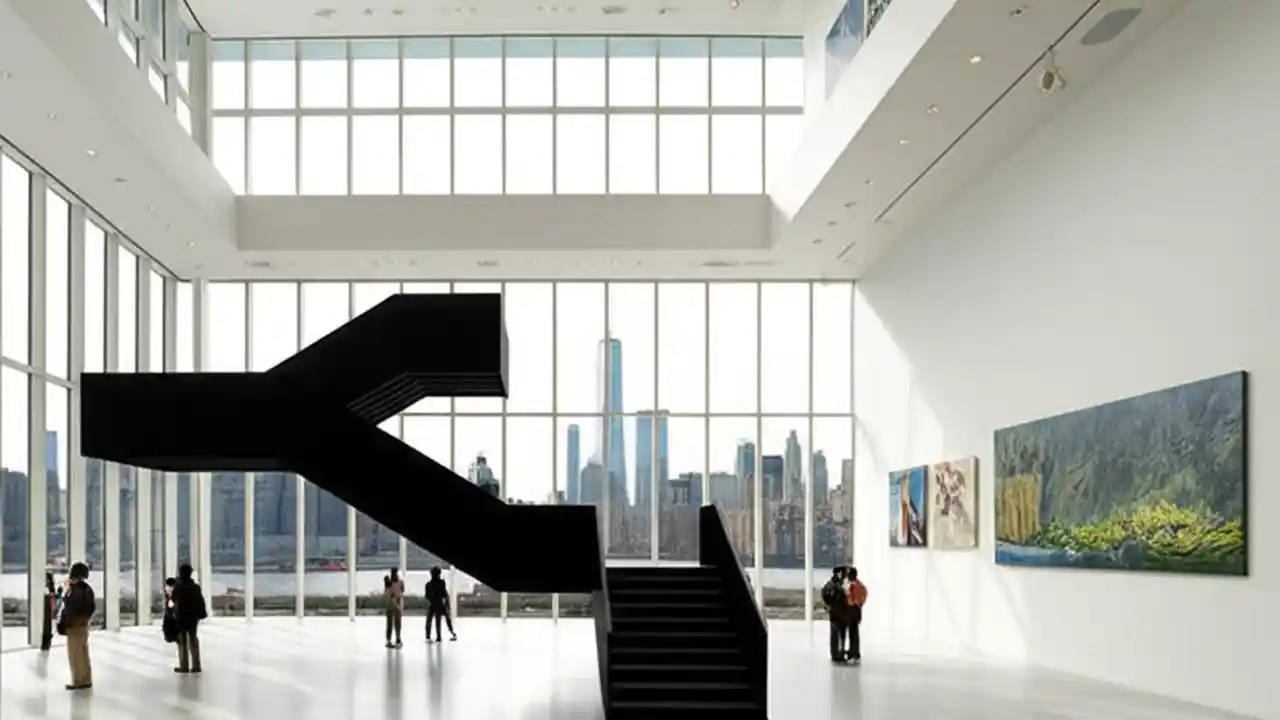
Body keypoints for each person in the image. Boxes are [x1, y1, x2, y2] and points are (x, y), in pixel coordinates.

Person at [62, 562, 95, 691]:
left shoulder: (74, 589)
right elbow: (91, 607)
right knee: (83, 651)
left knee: (75, 653)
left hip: (74, 623)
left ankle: (78, 680)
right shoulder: (87, 589)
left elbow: (70, 606)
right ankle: (86, 678)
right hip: (84, 623)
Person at [172, 564, 208, 674]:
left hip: (181, 616)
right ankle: (196, 665)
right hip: (193, 616)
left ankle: (184, 666)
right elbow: (200, 602)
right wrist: (201, 614)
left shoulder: (178, 587)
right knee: (193, 639)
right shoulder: (195, 587)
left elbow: (173, 599)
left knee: (182, 641)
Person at [821, 566, 849, 663]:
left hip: (841, 612)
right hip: (837, 612)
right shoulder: (834, 585)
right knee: (836, 633)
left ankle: (839, 652)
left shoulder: (836, 584)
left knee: (841, 633)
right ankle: (836, 654)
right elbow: (826, 595)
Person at [424, 567, 456, 642]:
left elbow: (428, 595)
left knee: (432, 620)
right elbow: (444, 594)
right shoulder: (439, 583)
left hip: (437, 603)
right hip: (438, 603)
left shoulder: (431, 584)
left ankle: (433, 636)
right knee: (438, 620)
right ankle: (445, 634)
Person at [845, 566, 869, 665]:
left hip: (852, 610)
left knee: (852, 634)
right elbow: (865, 593)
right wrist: (861, 603)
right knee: (855, 633)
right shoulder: (860, 585)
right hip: (858, 610)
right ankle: (856, 653)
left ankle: (853, 654)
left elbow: (849, 598)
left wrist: (849, 597)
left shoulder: (852, 586)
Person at [384, 568, 405, 649]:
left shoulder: (399, 582)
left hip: (396, 604)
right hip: (392, 604)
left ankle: (397, 638)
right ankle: (390, 639)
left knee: (397, 623)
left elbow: (401, 591)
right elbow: (389, 594)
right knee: (391, 623)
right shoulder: (389, 583)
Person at [41, 572, 57, 651]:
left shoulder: (47, 586)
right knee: (48, 623)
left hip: (47, 603)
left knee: (47, 623)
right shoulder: (51, 586)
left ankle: (46, 642)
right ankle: (46, 642)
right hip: (49, 603)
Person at [162, 578, 180, 645]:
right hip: (174, 616)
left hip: (170, 615)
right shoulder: (175, 592)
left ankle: (171, 636)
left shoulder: (168, 591)